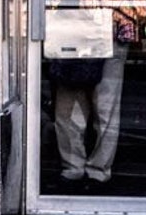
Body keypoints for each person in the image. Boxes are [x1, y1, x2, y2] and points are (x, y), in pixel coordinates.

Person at [51, 39, 128, 187]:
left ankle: (76, 168)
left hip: (79, 32)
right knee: (102, 109)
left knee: (74, 108)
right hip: (103, 33)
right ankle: (95, 170)